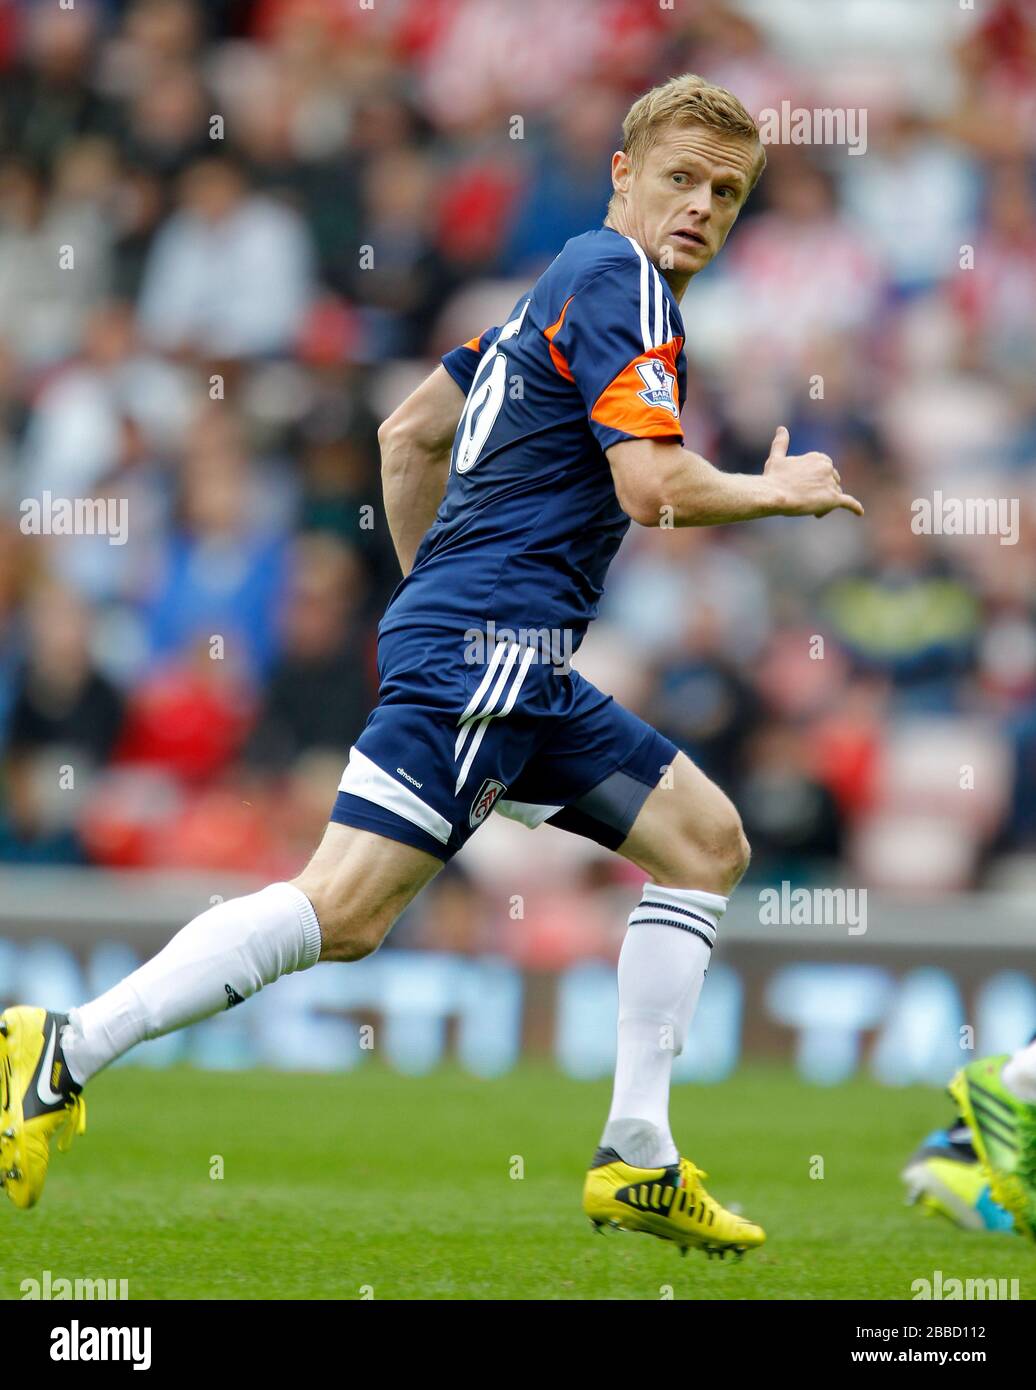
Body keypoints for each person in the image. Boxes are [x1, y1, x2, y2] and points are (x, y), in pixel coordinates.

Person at [1, 74, 863, 1257]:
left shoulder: (559, 280)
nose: (701, 207)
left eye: (725, 191)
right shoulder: (625, 285)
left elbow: (405, 433)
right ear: (621, 173)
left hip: (504, 654)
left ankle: (638, 1154)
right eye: (679, 178)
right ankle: (63, 1046)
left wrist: (428, 600)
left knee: (705, 840)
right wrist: (780, 490)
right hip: (495, 646)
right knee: (345, 910)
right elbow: (652, 490)